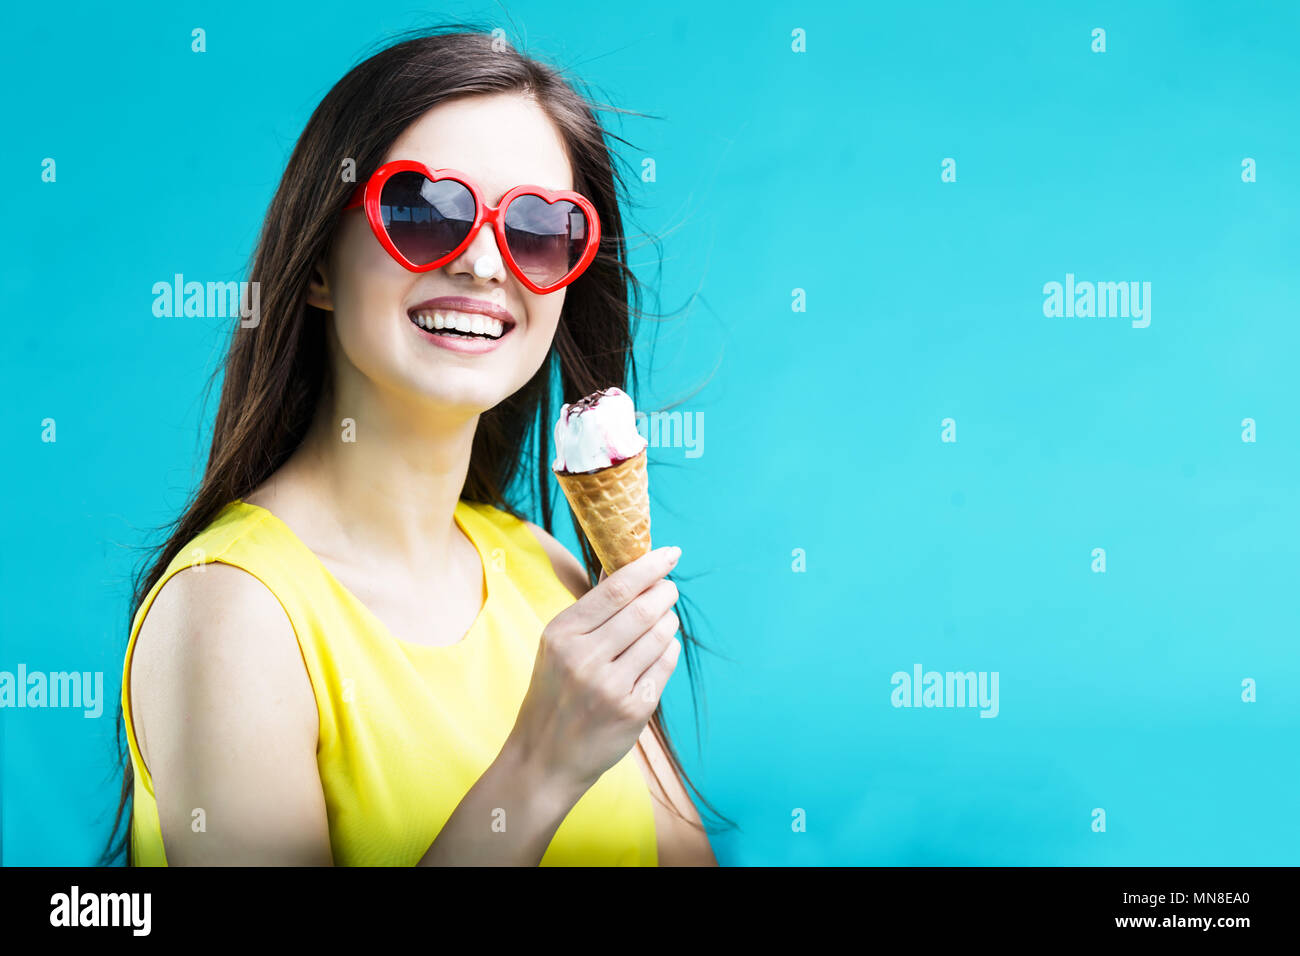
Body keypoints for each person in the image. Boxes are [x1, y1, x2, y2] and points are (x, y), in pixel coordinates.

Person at [103, 25, 728, 866]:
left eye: (540, 228)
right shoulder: (231, 614)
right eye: (423, 211)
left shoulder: (550, 574)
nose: (481, 262)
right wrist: (538, 768)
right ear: (319, 262)